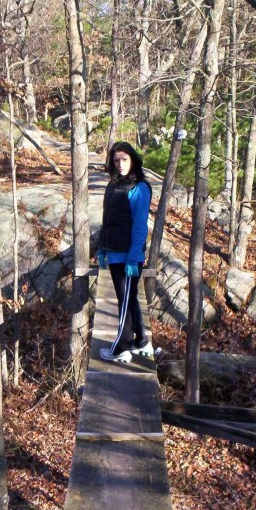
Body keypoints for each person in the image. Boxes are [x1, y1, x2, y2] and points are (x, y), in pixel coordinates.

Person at [97, 141, 154, 363]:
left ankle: (121, 348)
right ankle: (141, 341)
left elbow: (140, 226)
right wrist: (102, 248)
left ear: (133, 160)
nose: (120, 164)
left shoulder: (139, 188)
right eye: (116, 160)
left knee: (124, 301)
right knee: (129, 299)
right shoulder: (113, 185)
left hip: (129, 256)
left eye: (125, 159)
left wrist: (133, 257)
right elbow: (107, 220)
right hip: (114, 251)